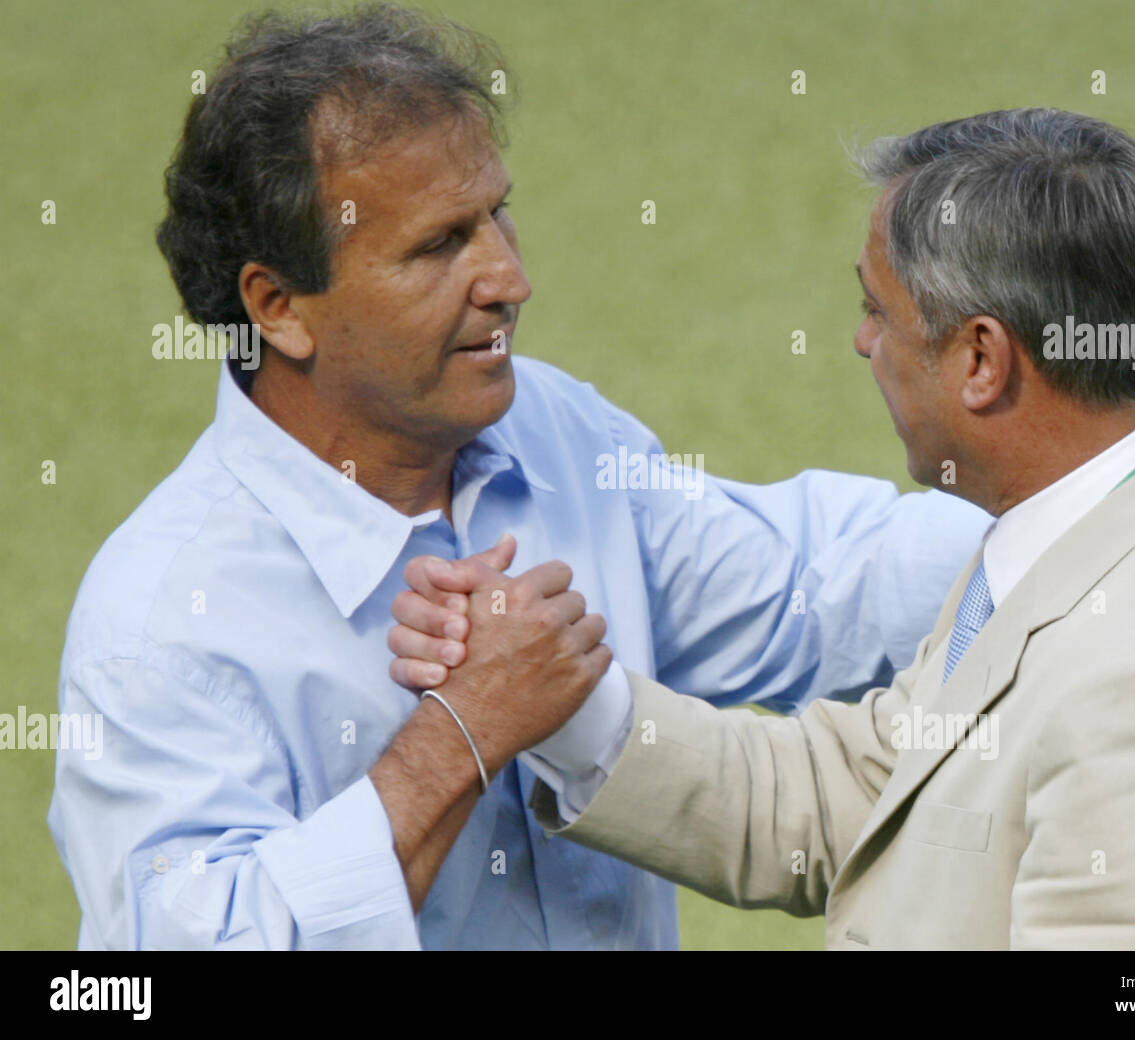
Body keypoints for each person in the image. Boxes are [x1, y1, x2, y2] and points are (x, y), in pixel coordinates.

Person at [46, 5, 989, 949]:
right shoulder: (160, 625)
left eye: (496, 213)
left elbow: (810, 588)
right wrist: (465, 729)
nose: (509, 277)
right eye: (439, 244)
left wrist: (1096, 512)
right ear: (280, 306)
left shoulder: (551, 427)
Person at [397, 108, 1135, 949]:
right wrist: (562, 700)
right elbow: (873, 793)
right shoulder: (1088, 530)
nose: (863, 343)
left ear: (981, 359)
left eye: (879, 310)